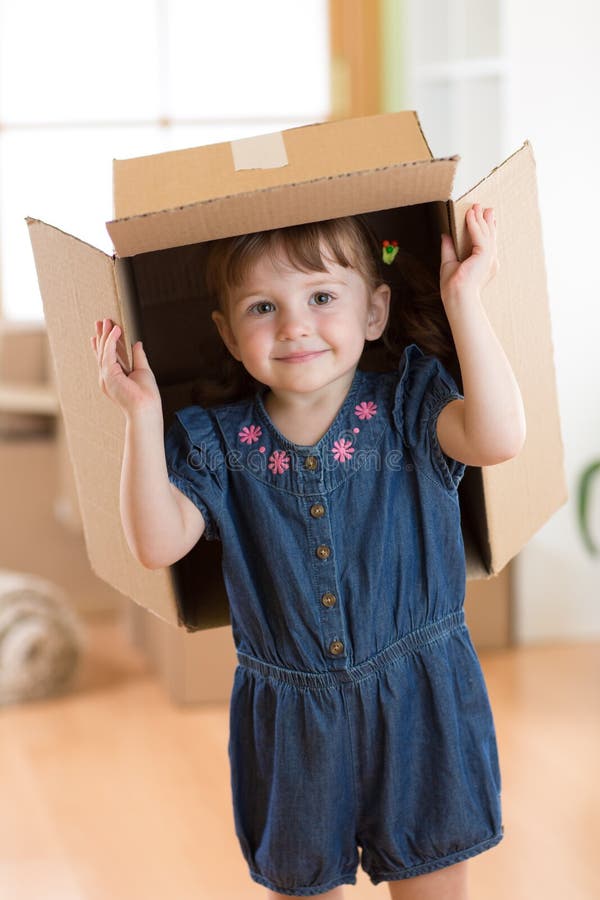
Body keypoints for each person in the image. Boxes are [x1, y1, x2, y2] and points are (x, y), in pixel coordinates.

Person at [91, 203, 526, 900]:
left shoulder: (409, 404)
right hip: (291, 722)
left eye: (322, 297)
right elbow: (156, 543)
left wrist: (464, 298)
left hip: (421, 700)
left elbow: (499, 437)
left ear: (374, 311)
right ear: (228, 335)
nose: (294, 325)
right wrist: (141, 420)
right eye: (263, 307)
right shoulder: (216, 441)